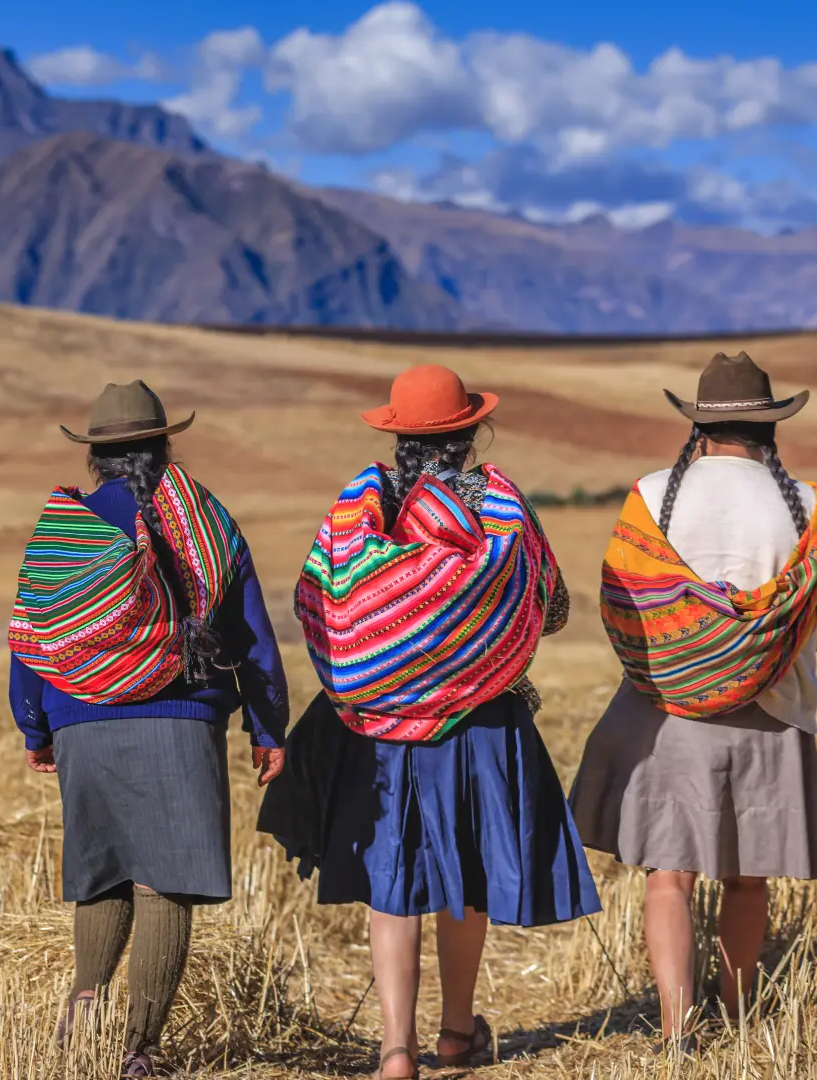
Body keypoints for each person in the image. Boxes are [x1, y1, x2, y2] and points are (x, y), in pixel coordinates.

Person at [259, 364, 600, 1080]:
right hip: (480, 726)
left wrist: (398, 650)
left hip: (375, 728)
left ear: (397, 433)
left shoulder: (360, 508)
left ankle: (393, 1051)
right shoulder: (499, 505)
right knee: (463, 875)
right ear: (471, 431)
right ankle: (455, 1032)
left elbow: (314, 596)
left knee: (393, 885)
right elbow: (554, 604)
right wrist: (477, 638)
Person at [568, 352, 817, 1054]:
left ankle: (675, 1031)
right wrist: (755, 651)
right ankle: (738, 1012)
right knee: (746, 878)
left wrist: (688, 648)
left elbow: (620, 604)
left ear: (699, 427)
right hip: (775, 711)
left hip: (667, 710)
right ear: (772, 431)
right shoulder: (812, 508)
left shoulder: (650, 494)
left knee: (670, 877)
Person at [9, 380, 290, 1079]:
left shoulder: (68, 527)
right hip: (180, 714)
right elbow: (251, 634)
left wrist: (35, 724)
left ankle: (83, 1009)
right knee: (166, 881)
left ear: (95, 456)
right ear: (165, 444)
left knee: (100, 874)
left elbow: (32, 636)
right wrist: (266, 725)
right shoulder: (205, 523)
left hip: (81, 718)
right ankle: (138, 1048)